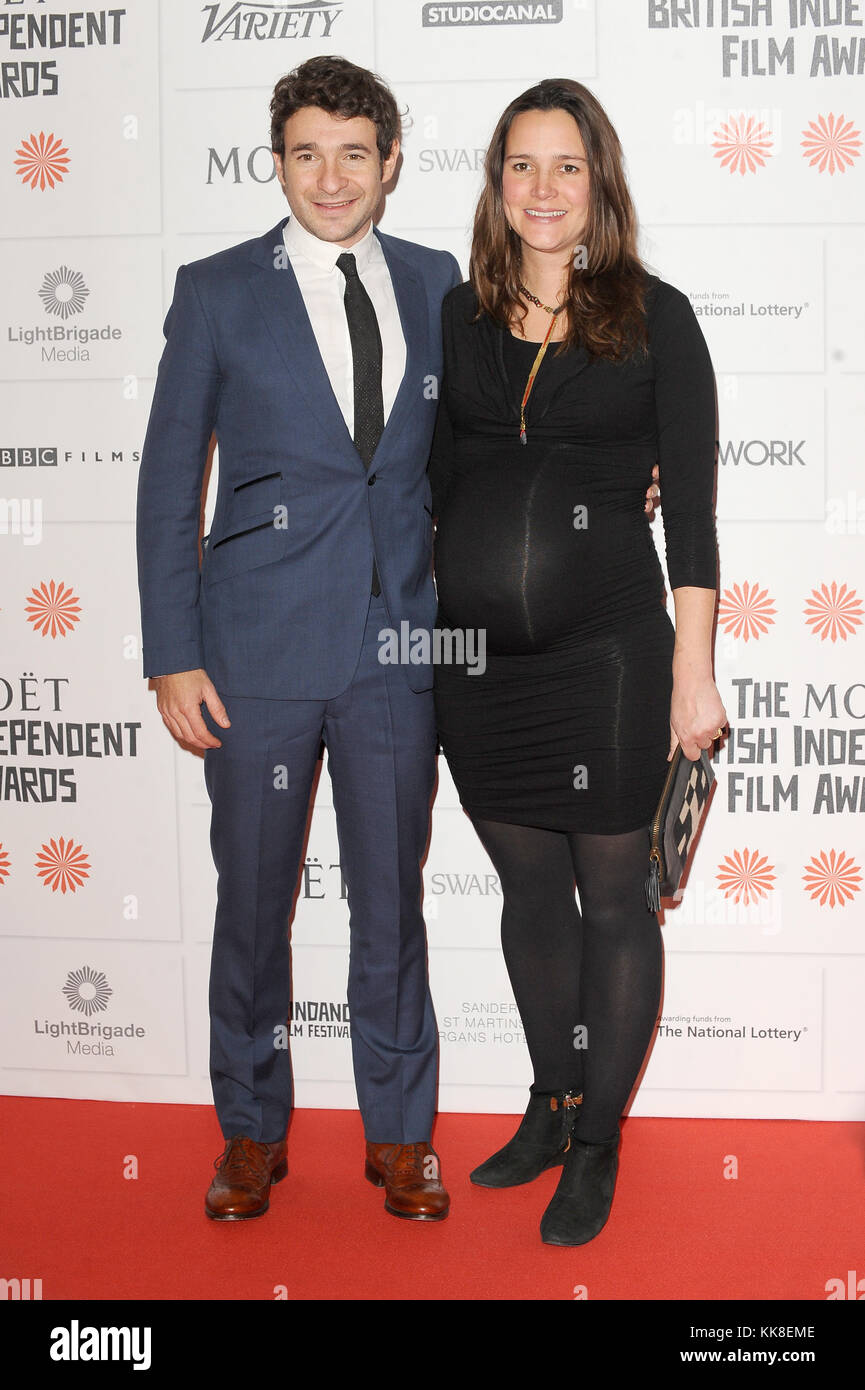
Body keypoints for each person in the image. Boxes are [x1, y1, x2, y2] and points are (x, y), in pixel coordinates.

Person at [136, 55, 463, 1223]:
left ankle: (400, 1137)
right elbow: (171, 481)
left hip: (395, 653)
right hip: (256, 655)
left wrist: (607, 480)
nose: (331, 177)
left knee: (391, 902)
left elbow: (472, 452)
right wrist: (172, 651)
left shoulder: (436, 282)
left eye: (354, 152)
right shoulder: (219, 290)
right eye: (307, 152)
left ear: (388, 163)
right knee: (253, 904)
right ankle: (250, 1131)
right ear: (277, 161)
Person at [429, 78, 727, 1246]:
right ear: (495, 184)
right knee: (525, 894)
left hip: (609, 660)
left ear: (598, 181)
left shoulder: (656, 316)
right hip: (479, 671)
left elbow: (692, 518)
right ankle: (552, 1099)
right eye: (520, 166)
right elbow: (434, 490)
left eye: (566, 165)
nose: (543, 189)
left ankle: (598, 1136)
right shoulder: (455, 319)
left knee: (612, 901)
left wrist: (692, 677)